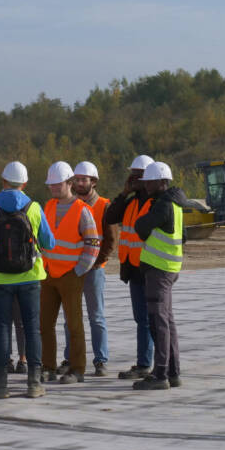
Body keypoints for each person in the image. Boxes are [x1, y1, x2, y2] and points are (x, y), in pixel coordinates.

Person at [0, 161, 55, 399]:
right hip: (31, 277)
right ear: (24, 183)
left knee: (2, 328)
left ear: (3, 181)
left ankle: (1, 385)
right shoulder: (35, 208)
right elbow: (50, 243)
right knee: (32, 329)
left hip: (0, 279)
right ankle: (34, 383)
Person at [39, 161, 99, 384]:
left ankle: (77, 369)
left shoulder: (83, 210)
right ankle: (48, 366)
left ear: (70, 183)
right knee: (44, 324)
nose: (54, 188)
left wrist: (78, 271)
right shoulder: (48, 206)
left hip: (71, 275)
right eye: (51, 185)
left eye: (57, 184)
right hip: (48, 273)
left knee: (74, 324)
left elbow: (93, 243)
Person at [133, 161, 190, 390]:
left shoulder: (163, 205)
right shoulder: (176, 205)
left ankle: (160, 375)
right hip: (169, 268)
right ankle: (173, 373)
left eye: (149, 181)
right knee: (167, 321)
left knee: (159, 323)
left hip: (159, 270)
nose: (146, 185)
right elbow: (183, 237)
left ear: (162, 182)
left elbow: (140, 225)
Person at [104, 154, 156, 380]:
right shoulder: (132, 202)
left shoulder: (159, 202)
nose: (135, 179)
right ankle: (144, 363)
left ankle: (154, 365)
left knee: (155, 319)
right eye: (133, 176)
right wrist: (125, 192)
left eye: (139, 176)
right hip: (135, 271)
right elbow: (110, 217)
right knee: (142, 320)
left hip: (153, 269)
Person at [62, 160, 114, 377]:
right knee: (70, 318)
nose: (80, 183)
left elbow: (110, 240)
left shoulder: (104, 205)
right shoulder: (69, 204)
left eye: (84, 179)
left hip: (93, 270)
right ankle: (70, 358)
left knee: (96, 316)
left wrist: (95, 262)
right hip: (72, 270)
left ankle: (100, 360)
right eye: (77, 179)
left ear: (93, 182)